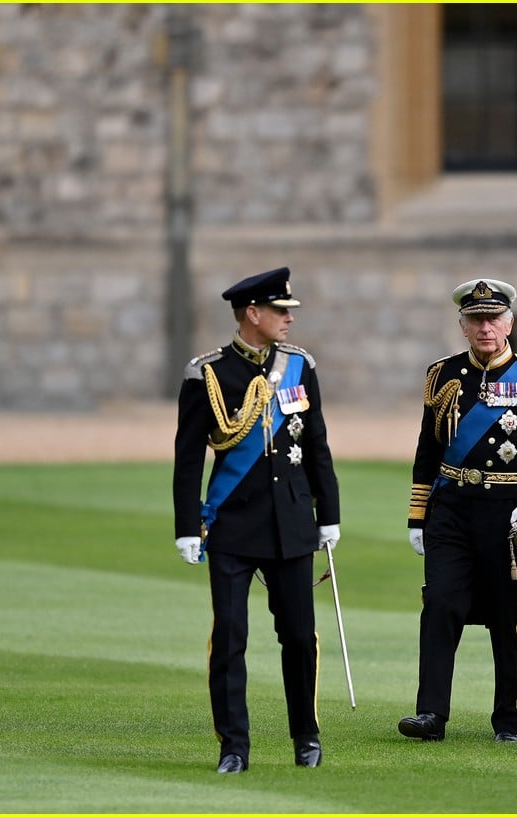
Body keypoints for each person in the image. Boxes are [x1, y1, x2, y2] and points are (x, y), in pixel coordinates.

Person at [172, 266, 340, 773]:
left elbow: (316, 445)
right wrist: (186, 526)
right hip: (233, 526)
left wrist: (327, 514)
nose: (288, 319)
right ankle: (234, 747)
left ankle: (305, 737)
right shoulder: (208, 374)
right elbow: (187, 459)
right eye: (280, 311)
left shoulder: (298, 367)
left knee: (298, 636)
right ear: (253, 314)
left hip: (291, 522)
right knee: (230, 638)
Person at [398, 278, 517, 743]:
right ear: (462, 325)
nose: (485, 328)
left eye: (494, 318)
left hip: (508, 515)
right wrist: (418, 516)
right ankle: (430, 713)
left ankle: (510, 719)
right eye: (476, 319)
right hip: (452, 509)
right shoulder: (442, 375)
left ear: (510, 322)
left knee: (508, 617)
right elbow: (426, 451)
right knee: (440, 605)